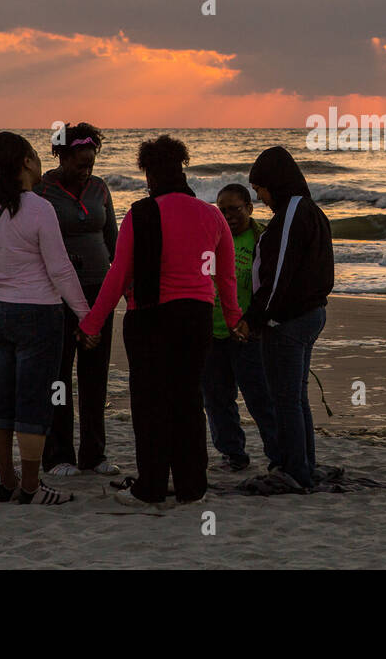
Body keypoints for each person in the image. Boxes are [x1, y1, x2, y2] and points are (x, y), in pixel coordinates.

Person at [79, 135, 241, 511]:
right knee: (188, 400)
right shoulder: (212, 215)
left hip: (149, 318)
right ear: (181, 168)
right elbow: (225, 278)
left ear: (149, 173)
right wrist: (233, 319)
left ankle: (150, 487)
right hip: (196, 318)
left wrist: (92, 323)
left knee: (150, 404)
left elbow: (118, 274)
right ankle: (191, 487)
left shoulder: (140, 213)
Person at [0, 131, 93, 506]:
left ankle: (7, 482)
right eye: (35, 155)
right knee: (33, 403)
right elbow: (60, 271)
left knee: (1, 399)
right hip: (39, 314)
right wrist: (86, 315)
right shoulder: (40, 209)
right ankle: (31, 488)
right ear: (28, 162)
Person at [234, 147, 334, 491]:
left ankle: (295, 471)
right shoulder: (310, 210)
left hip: (289, 321)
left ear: (274, 182)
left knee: (285, 399)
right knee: (296, 396)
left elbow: (278, 277)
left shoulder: (293, 213)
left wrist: (256, 318)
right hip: (307, 314)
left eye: (259, 189)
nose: (259, 198)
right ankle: (304, 464)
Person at [33, 122, 120, 478]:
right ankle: (58, 455)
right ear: (62, 156)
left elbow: (113, 241)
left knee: (95, 375)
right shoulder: (42, 191)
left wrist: (122, 286)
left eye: (91, 163)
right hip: (59, 295)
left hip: (100, 294)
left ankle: (94, 454)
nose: (87, 170)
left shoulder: (100, 188)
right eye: (80, 163)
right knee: (59, 377)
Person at [202, 183, 277, 472]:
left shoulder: (262, 239)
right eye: (222, 210)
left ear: (250, 208)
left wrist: (255, 322)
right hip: (212, 331)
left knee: (260, 397)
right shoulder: (210, 237)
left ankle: (277, 453)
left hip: (249, 333)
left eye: (235, 209)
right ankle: (233, 454)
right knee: (217, 399)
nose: (229, 215)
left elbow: (270, 287)